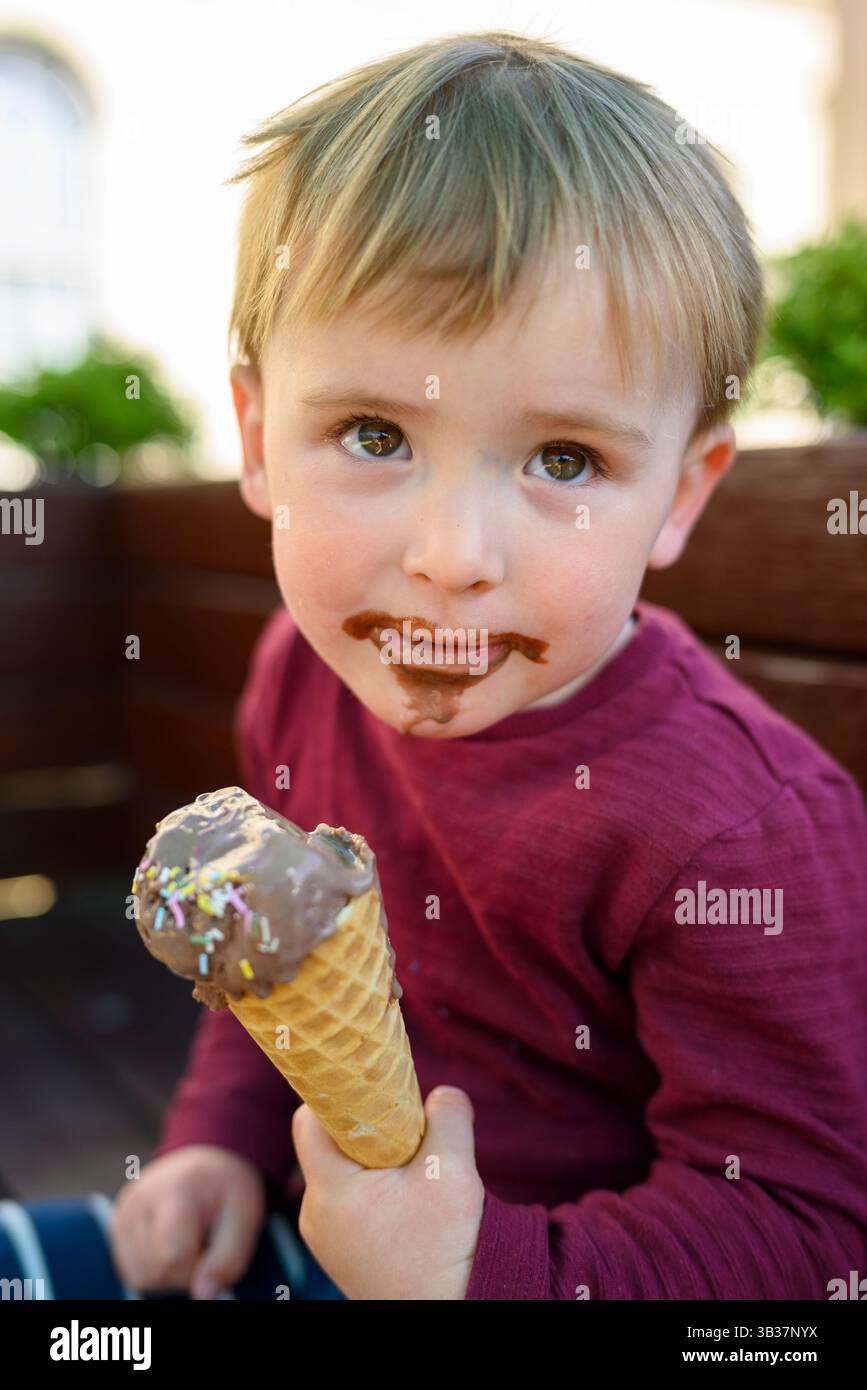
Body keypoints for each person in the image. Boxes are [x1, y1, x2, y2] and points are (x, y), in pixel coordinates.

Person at [111, 29, 867, 1300]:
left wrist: (475, 1270)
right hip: (299, 1243)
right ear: (255, 435)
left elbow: (811, 1235)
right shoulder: (298, 675)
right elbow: (275, 971)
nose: (453, 557)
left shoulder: (737, 830)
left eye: (563, 459)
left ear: (681, 496)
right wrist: (215, 1142)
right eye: (372, 432)